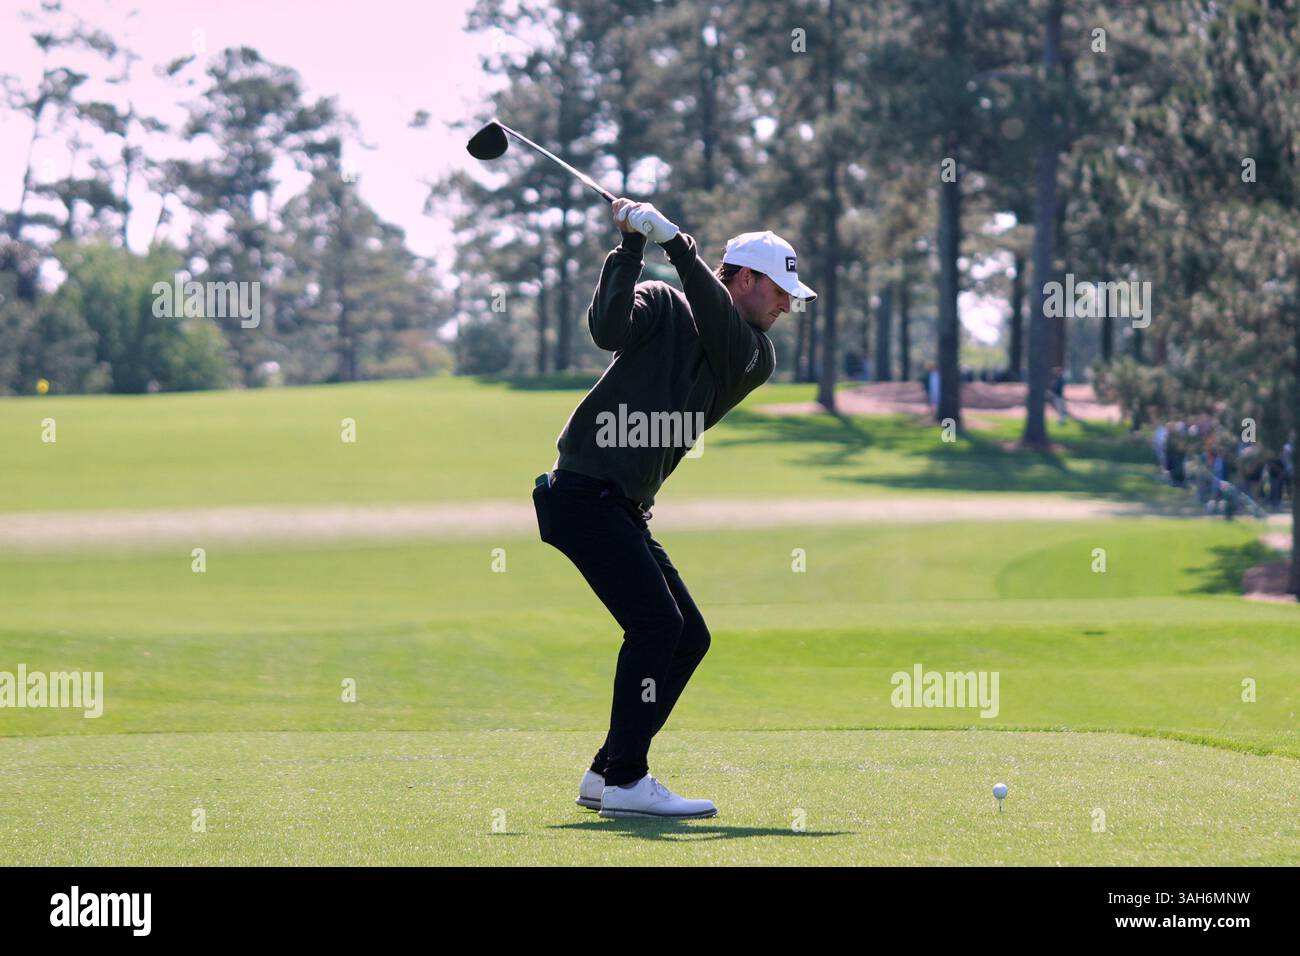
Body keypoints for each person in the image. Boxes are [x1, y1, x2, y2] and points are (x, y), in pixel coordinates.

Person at [531, 198, 817, 820]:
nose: (787, 305)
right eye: (780, 291)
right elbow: (607, 331)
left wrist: (678, 245)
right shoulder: (663, 302)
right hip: (581, 491)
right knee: (659, 626)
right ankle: (629, 779)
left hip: (622, 506)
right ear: (742, 278)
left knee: (689, 636)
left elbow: (718, 328)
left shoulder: (752, 356)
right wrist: (634, 246)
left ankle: (607, 770)